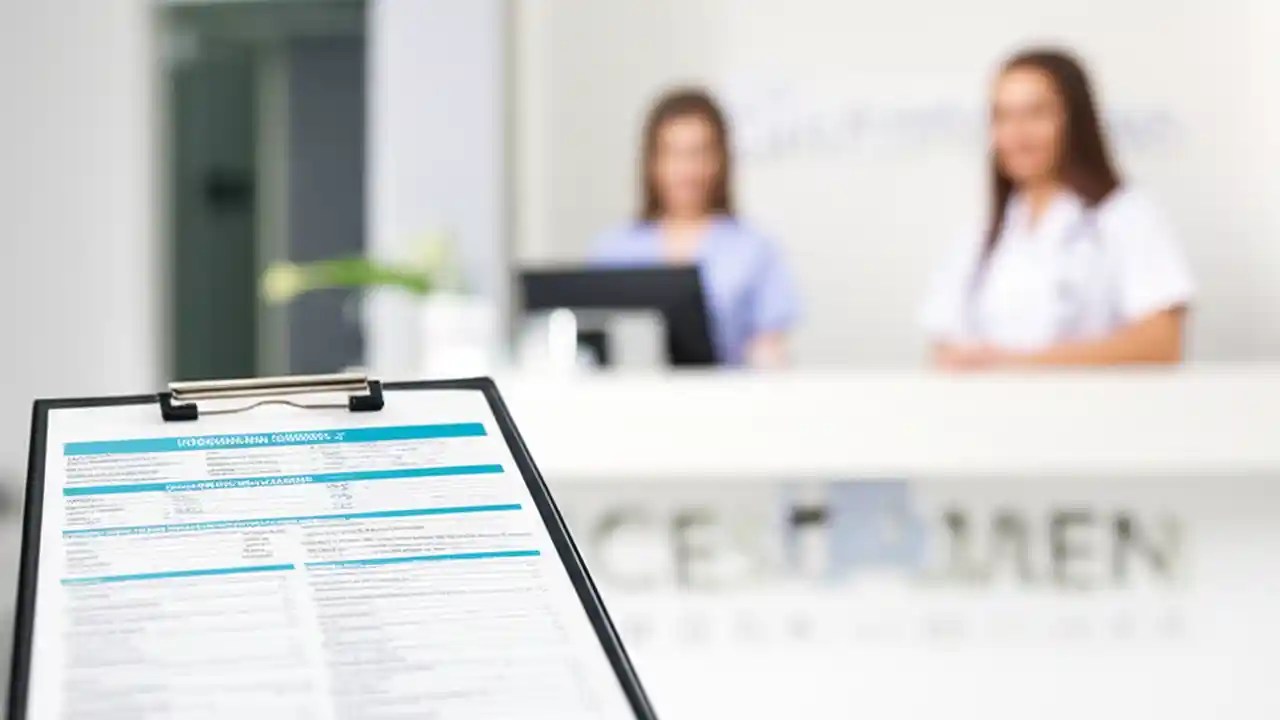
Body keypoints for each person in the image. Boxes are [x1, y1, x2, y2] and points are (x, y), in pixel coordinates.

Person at [920, 49, 1195, 369]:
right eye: (1003, 116)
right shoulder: (983, 232)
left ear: (1075, 122)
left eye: (1035, 114)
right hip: (994, 399)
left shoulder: (1125, 215)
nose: (1017, 133)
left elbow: (1161, 344)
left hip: (1092, 400)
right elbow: (945, 344)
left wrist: (1020, 364)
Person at [592, 88, 800, 367]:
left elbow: (769, 349)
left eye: (699, 153)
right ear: (652, 161)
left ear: (721, 159)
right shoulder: (614, 248)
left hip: (728, 393)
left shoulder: (754, 248)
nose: (687, 170)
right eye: (673, 153)